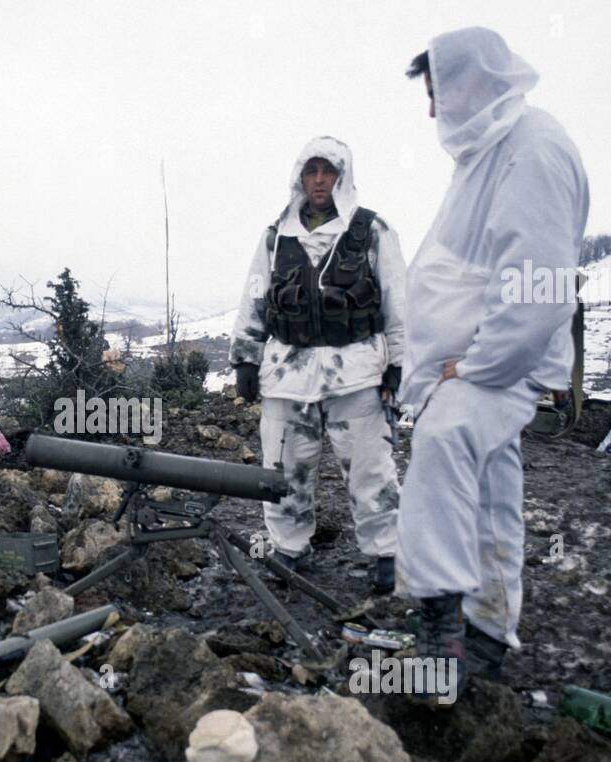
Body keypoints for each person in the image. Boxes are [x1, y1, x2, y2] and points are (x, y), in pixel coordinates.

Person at [396, 28, 590, 686]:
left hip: (500, 359)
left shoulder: (531, 149)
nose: (432, 112)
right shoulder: (493, 149)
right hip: (482, 357)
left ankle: (444, 622)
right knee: (491, 484)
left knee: (444, 444)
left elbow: (537, 280)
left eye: (436, 94)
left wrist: (479, 365)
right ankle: (489, 626)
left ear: (471, 81)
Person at [228, 136, 407, 594]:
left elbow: (398, 301)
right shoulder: (276, 236)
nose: (320, 180)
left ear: (342, 177)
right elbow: (253, 296)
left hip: (357, 373)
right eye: (312, 172)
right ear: (300, 178)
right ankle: (288, 547)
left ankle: (386, 553)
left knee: (371, 469)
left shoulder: (372, 231)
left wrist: (400, 365)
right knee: (284, 467)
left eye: (328, 171)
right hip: (287, 373)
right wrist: (245, 358)